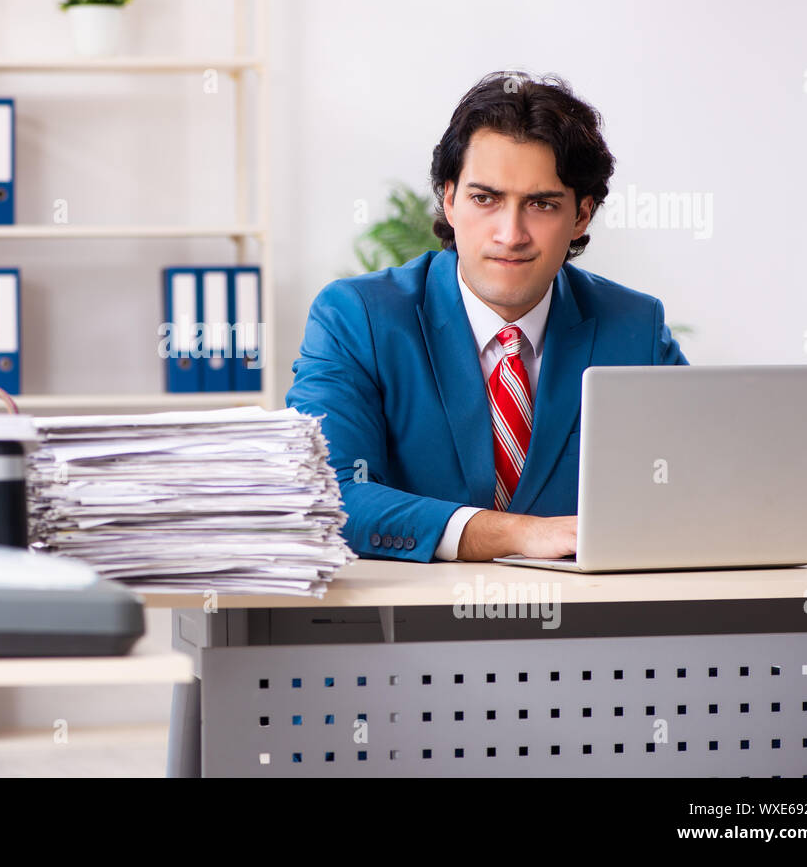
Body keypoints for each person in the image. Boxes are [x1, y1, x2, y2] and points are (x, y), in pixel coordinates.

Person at [285, 70, 687, 563]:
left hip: (592, 625)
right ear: (449, 200)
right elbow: (326, 494)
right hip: (403, 625)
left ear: (581, 215)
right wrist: (518, 534)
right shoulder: (357, 318)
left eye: (540, 204)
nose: (510, 233)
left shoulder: (634, 328)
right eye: (485, 198)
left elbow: (695, 484)